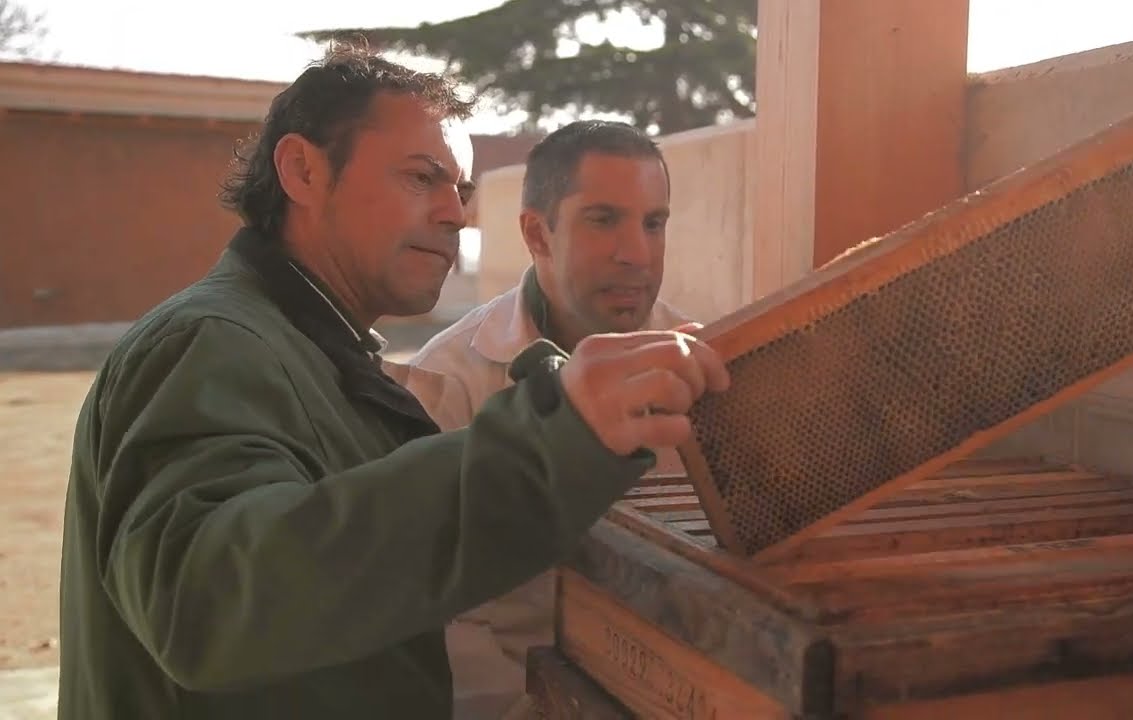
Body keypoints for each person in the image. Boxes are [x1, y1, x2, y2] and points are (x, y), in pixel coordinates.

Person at [56, 44, 729, 720]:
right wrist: (555, 440)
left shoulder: (318, 356)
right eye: (421, 178)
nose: (454, 214)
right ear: (302, 170)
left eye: (459, 191)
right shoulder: (210, 343)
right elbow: (203, 603)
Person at [403, 119, 693, 717]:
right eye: (604, 219)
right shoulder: (446, 383)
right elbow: (437, 622)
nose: (637, 253)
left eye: (654, 223)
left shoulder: (703, 368)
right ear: (538, 233)